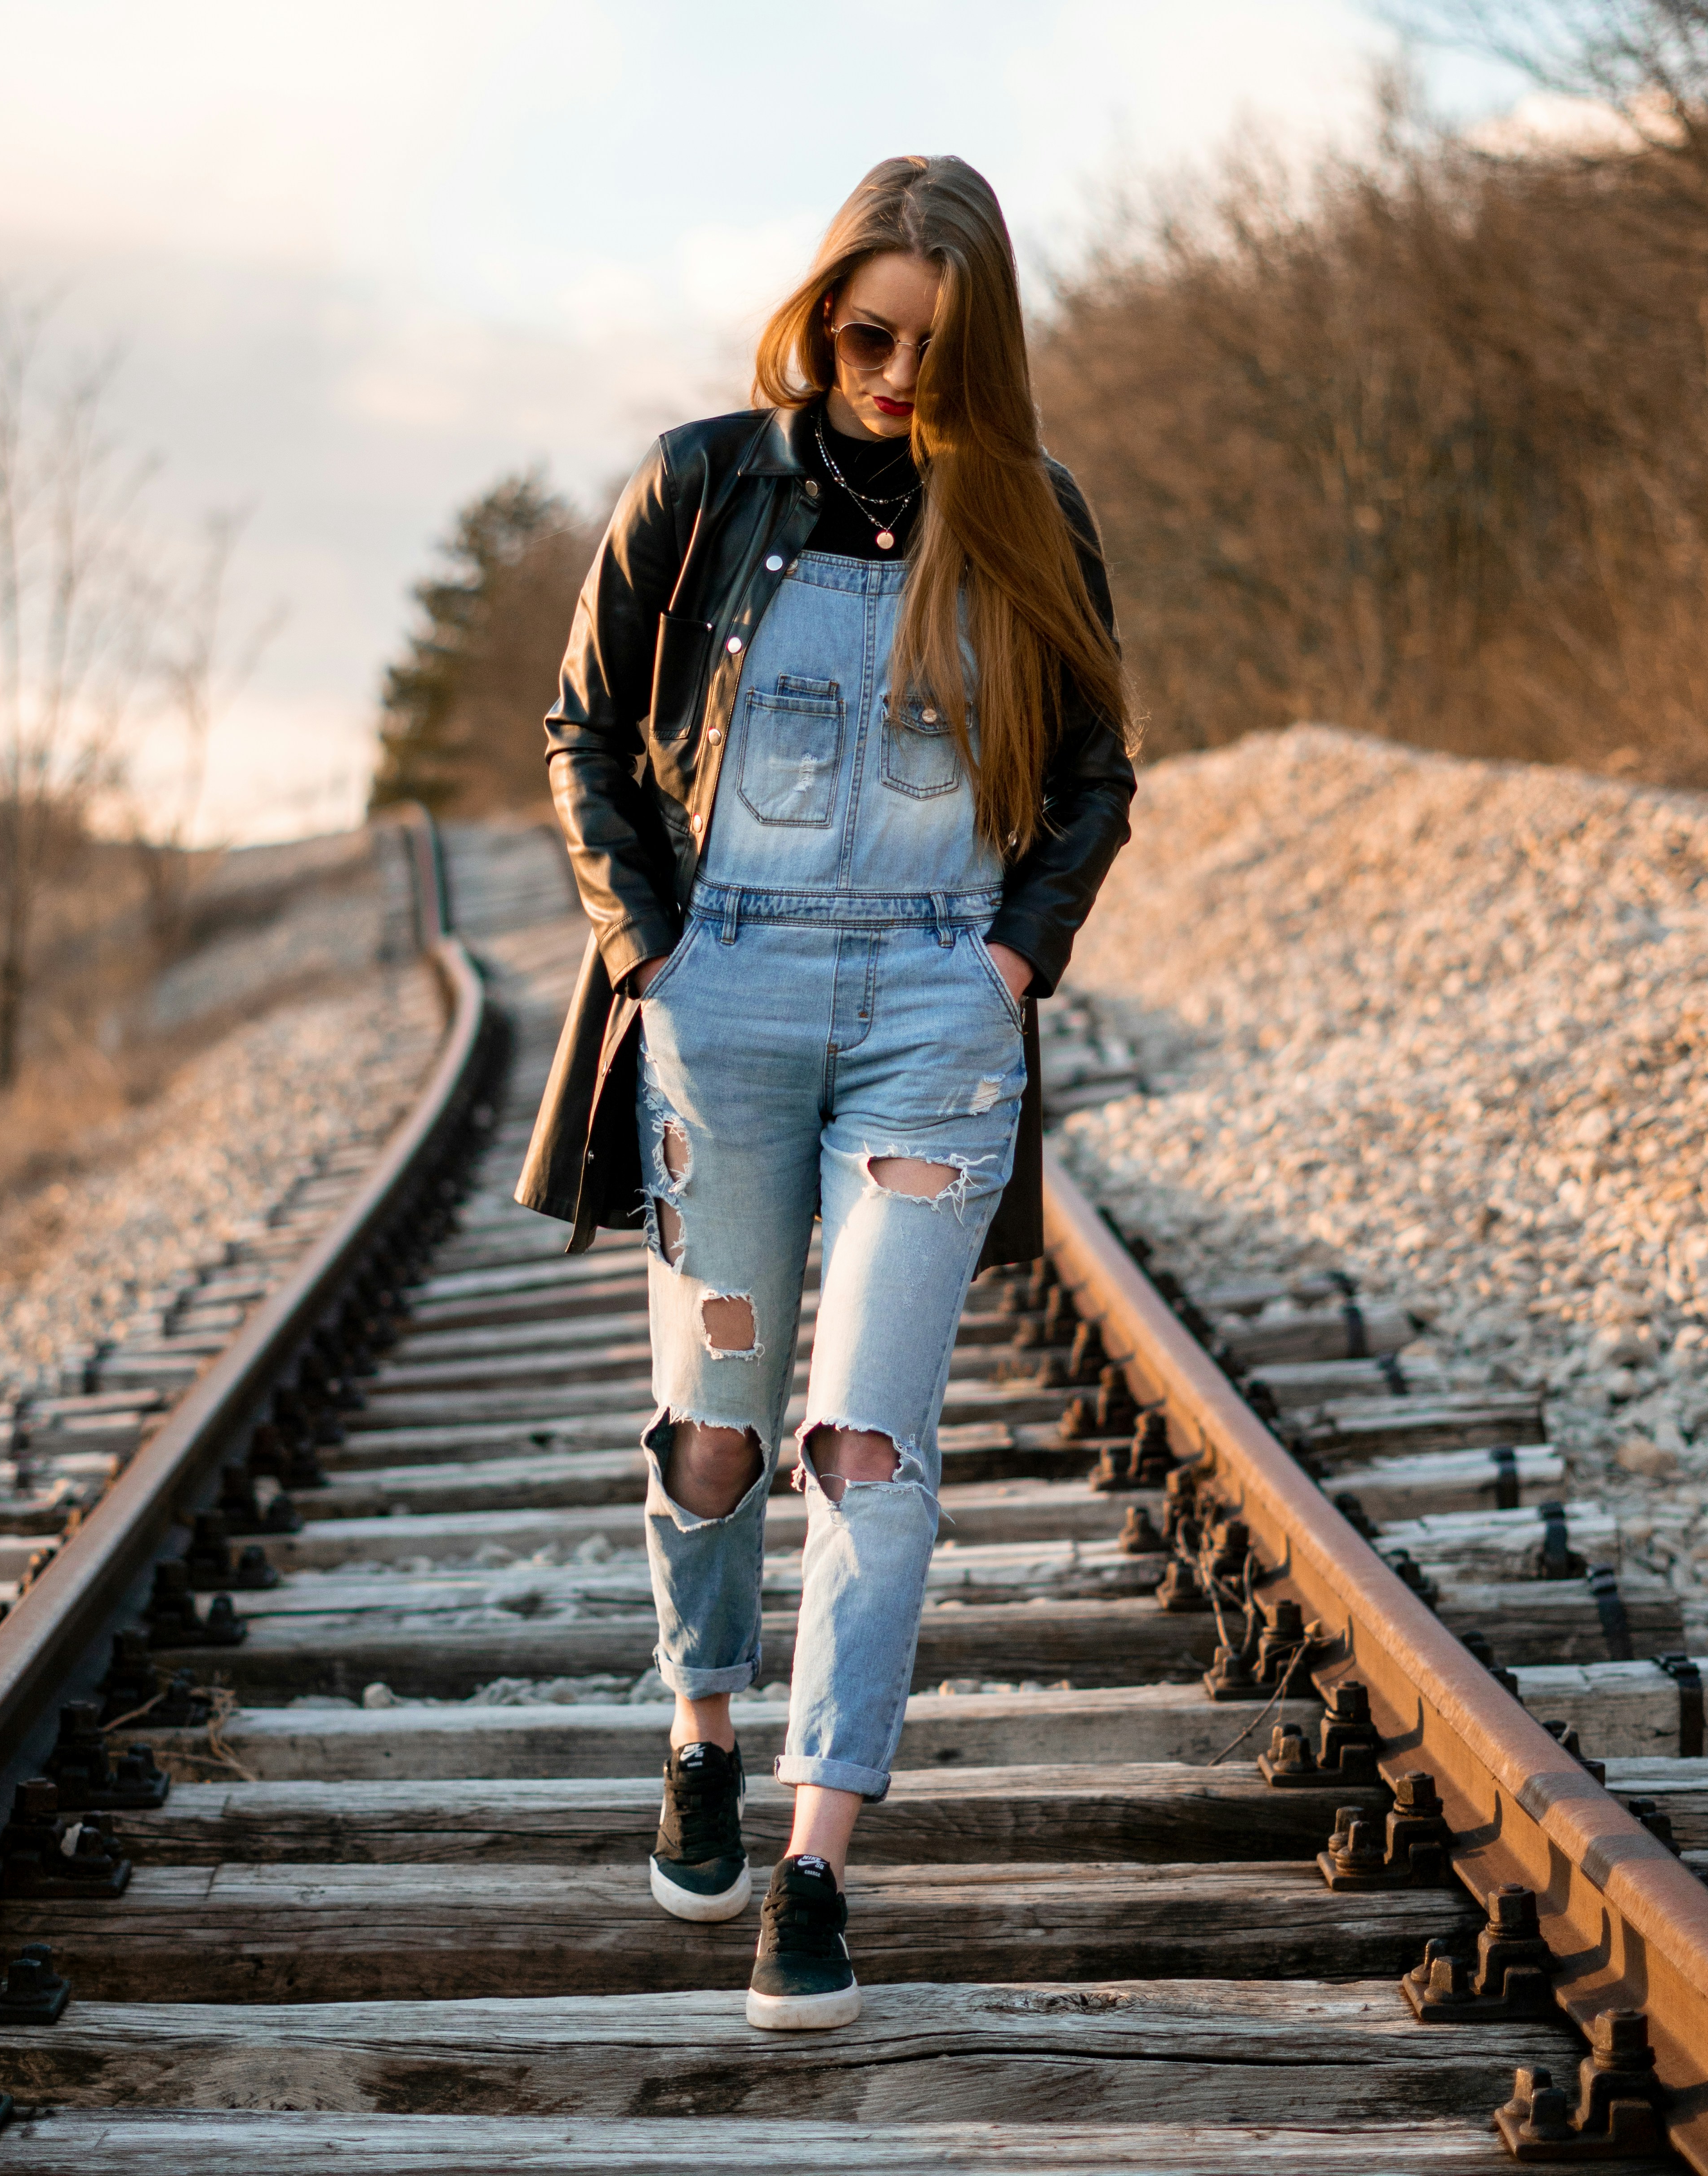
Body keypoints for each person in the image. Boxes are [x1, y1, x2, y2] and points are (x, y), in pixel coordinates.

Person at [515, 154, 1136, 2029]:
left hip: (934, 1024)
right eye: (861, 332)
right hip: (731, 998)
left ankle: (811, 1864)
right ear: (817, 314)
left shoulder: (1029, 515)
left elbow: (1099, 769)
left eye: (928, 348)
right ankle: (701, 1727)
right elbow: (584, 732)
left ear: (981, 349)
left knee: (863, 1446)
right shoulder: (702, 484)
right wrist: (652, 948)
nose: (886, 371)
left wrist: (1011, 957)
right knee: (714, 1428)